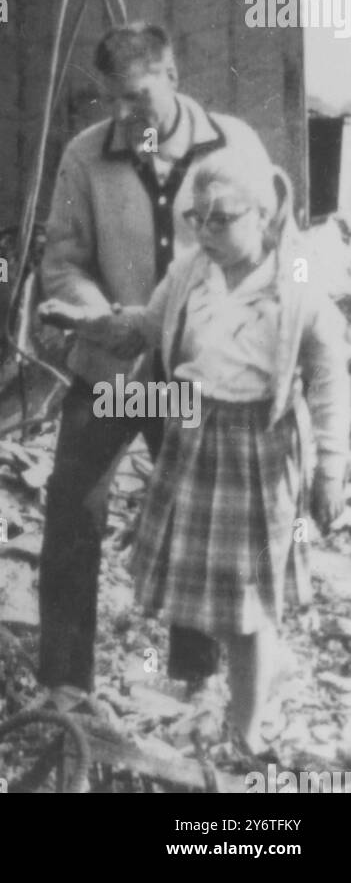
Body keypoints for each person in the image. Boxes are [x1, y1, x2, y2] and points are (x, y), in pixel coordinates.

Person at [65, 147, 348, 753]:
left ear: (266, 214)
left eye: (222, 218)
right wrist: (97, 322)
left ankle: (244, 734)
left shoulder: (296, 281)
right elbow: (146, 327)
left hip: (257, 452)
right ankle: (257, 675)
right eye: (197, 218)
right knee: (215, 605)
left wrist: (332, 468)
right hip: (194, 440)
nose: (205, 231)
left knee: (245, 611)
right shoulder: (193, 270)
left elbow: (329, 377)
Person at [37, 22, 269, 695]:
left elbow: (262, 255)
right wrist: (97, 317)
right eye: (109, 99)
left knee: (199, 519)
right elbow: (62, 263)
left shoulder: (232, 147)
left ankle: (193, 679)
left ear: (171, 78)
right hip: (112, 373)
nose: (121, 115)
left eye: (134, 97)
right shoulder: (85, 157)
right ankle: (62, 686)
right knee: (72, 516)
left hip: (199, 375)